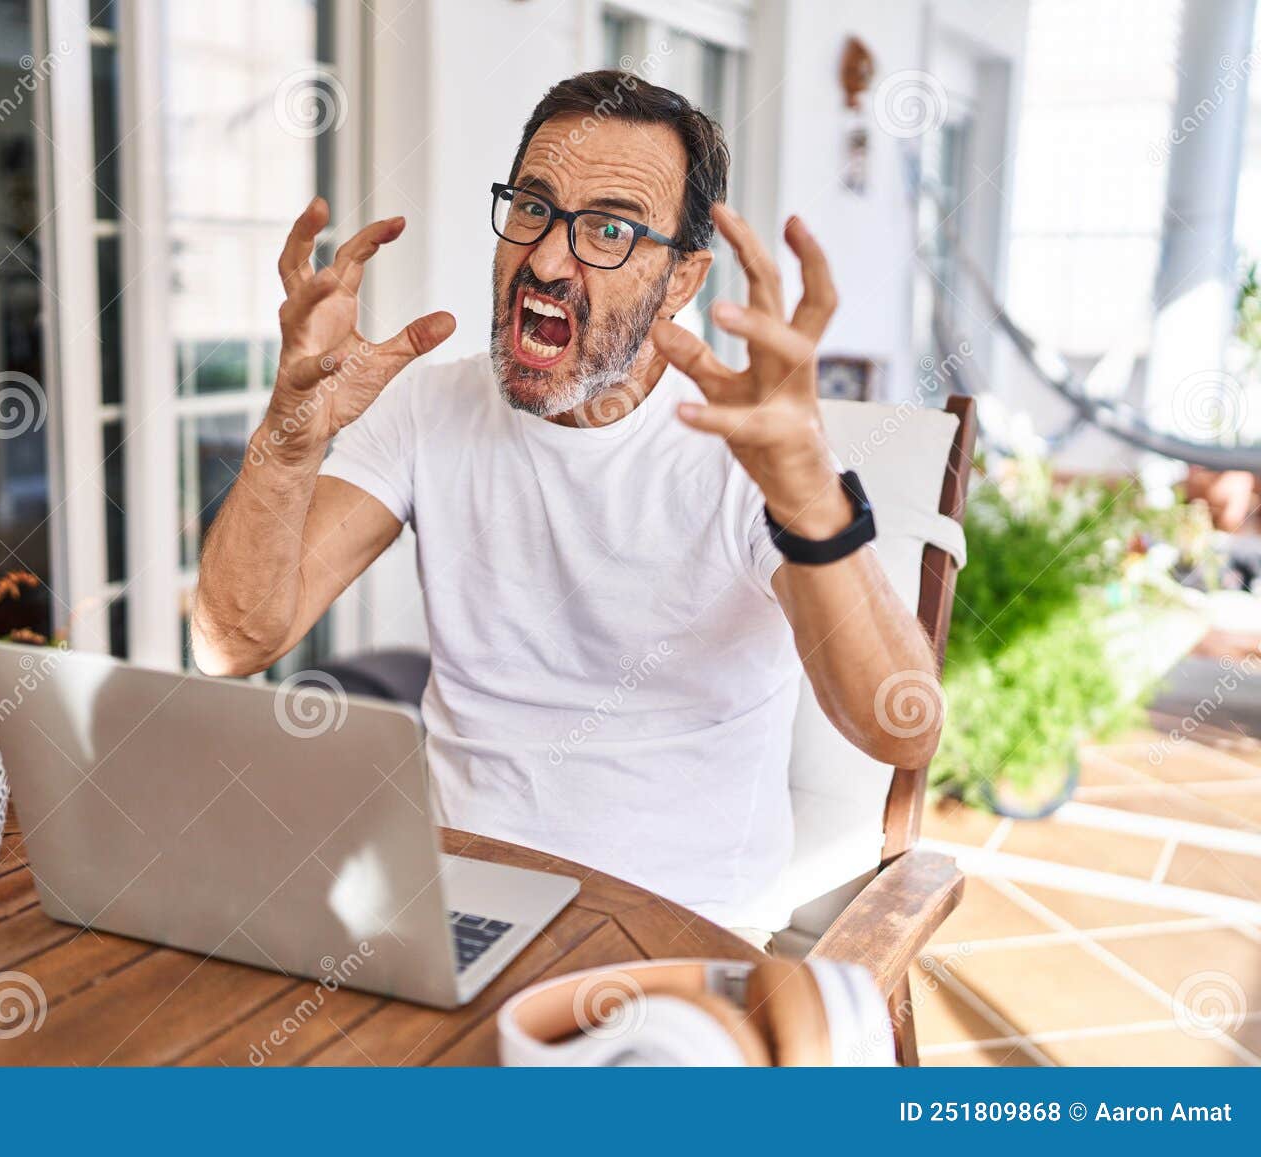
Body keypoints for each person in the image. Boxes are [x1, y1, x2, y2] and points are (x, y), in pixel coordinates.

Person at [192, 70, 940, 941]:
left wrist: (808, 493)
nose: (548, 259)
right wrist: (290, 434)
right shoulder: (427, 410)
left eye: (610, 231)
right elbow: (231, 642)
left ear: (681, 279)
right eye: (535, 208)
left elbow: (903, 727)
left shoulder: (754, 450)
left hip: (676, 937)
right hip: (454, 913)